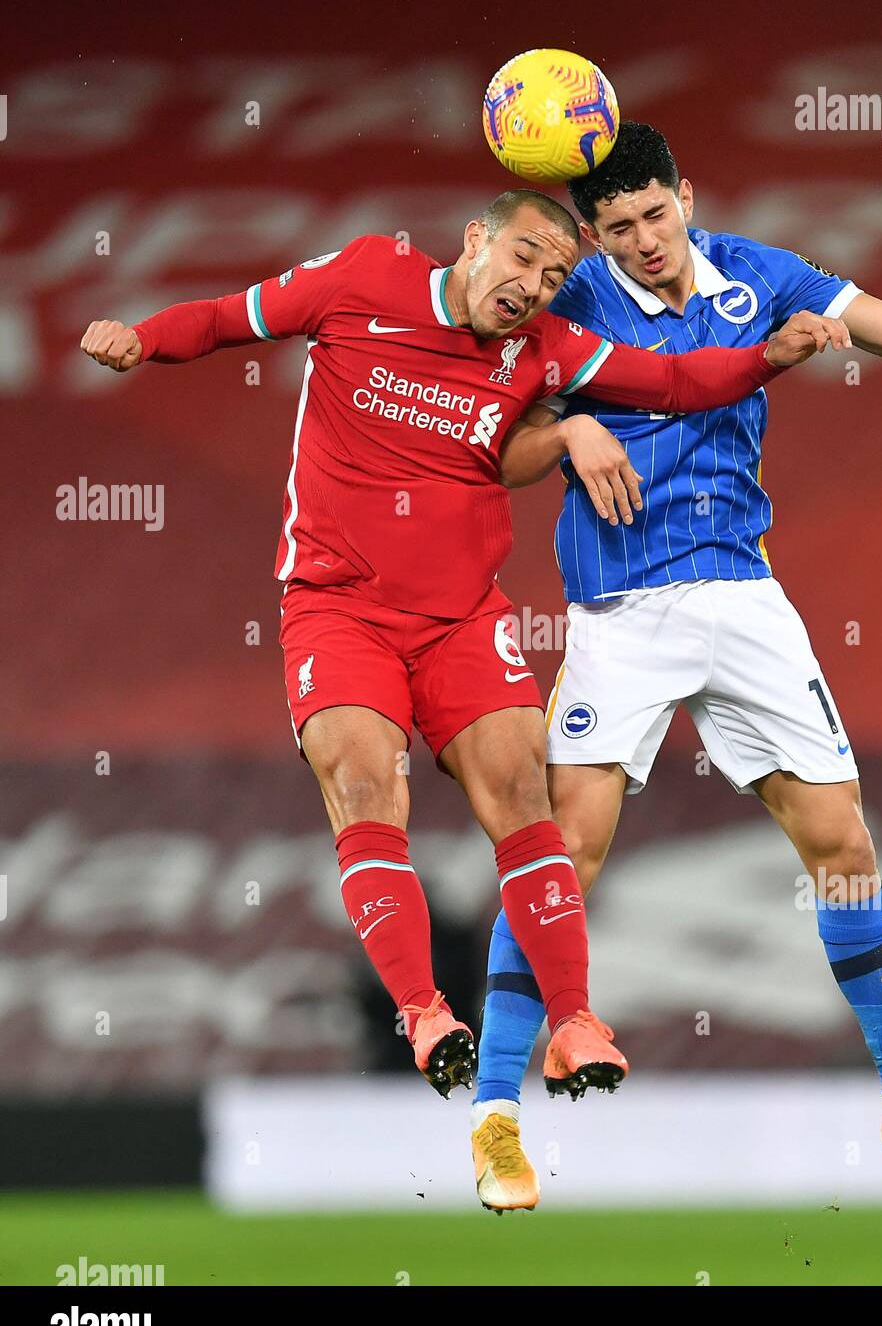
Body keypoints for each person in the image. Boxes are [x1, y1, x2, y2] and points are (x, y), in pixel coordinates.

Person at [80, 187, 839, 1106]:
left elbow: (675, 384)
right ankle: (425, 1014)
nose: (532, 284)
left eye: (556, 274)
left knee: (524, 796)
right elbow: (223, 319)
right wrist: (141, 337)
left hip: (461, 620)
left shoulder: (545, 349)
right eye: (522, 257)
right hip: (338, 608)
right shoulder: (363, 277)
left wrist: (770, 357)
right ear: (476, 238)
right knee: (366, 783)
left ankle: (574, 1020)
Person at [469, 125, 882, 1211]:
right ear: (594, 237)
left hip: (744, 597)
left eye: (657, 215)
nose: (646, 242)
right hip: (620, 607)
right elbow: (498, 452)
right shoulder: (569, 313)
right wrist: (567, 436)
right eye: (618, 229)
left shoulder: (759, 274)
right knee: (568, 849)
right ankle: (498, 1118)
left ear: (683, 194)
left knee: (843, 842)